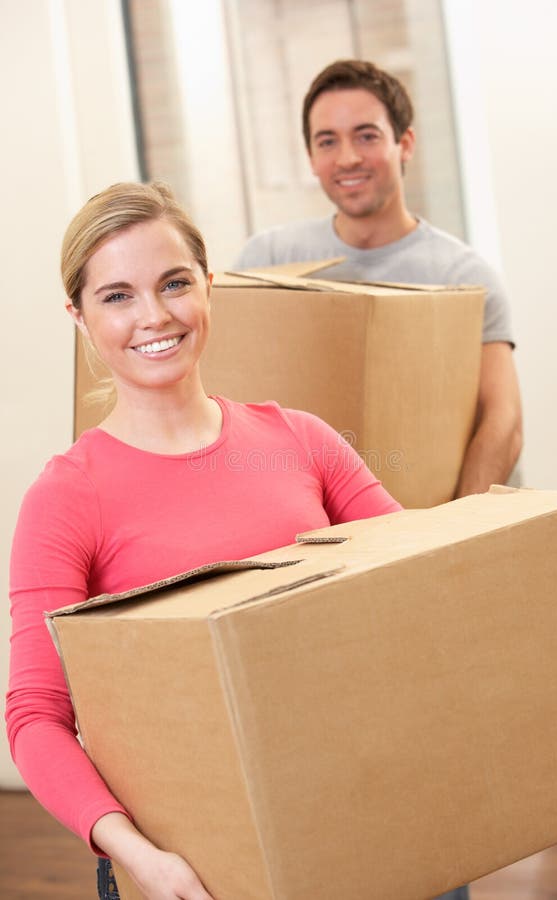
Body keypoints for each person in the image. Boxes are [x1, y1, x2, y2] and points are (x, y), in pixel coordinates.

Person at [5, 181, 403, 900]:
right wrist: (138, 856)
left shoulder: (301, 441)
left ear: (209, 287)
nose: (154, 316)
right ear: (79, 318)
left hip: (355, 813)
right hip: (188, 862)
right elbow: (36, 717)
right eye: (117, 295)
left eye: (174, 283)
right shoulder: (65, 499)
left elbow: (415, 584)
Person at [234, 59, 523, 499]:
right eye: (327, 141)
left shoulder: (462, 277)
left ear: (404, 143)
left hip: (429, 510)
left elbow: (502, 418)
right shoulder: (268, 260)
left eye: (366, 136)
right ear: (311, 157)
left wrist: (461, 530)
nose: (347, 158)